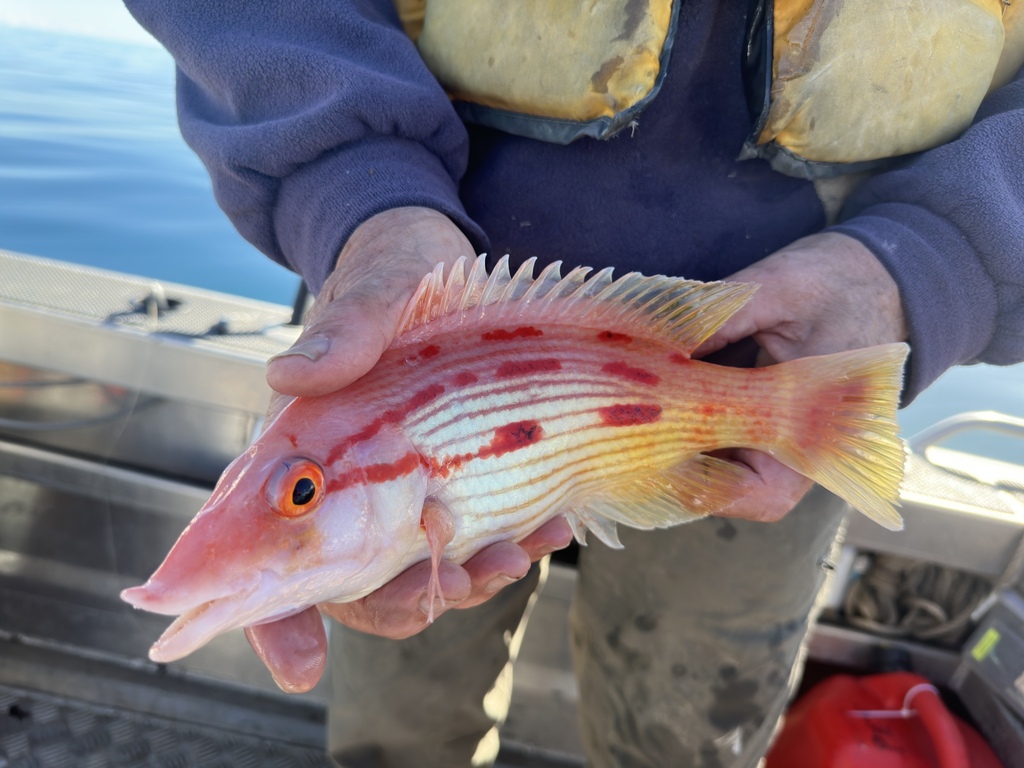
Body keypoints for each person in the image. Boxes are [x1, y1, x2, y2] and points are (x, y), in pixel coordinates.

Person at [124, 1, 1024, 766]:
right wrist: (355, 189)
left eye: (302, 493)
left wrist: (931, 261)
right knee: (397, 728)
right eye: (301, 492)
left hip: (791, 334)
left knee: (690, 735)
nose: (298, 496)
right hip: (389, 303)